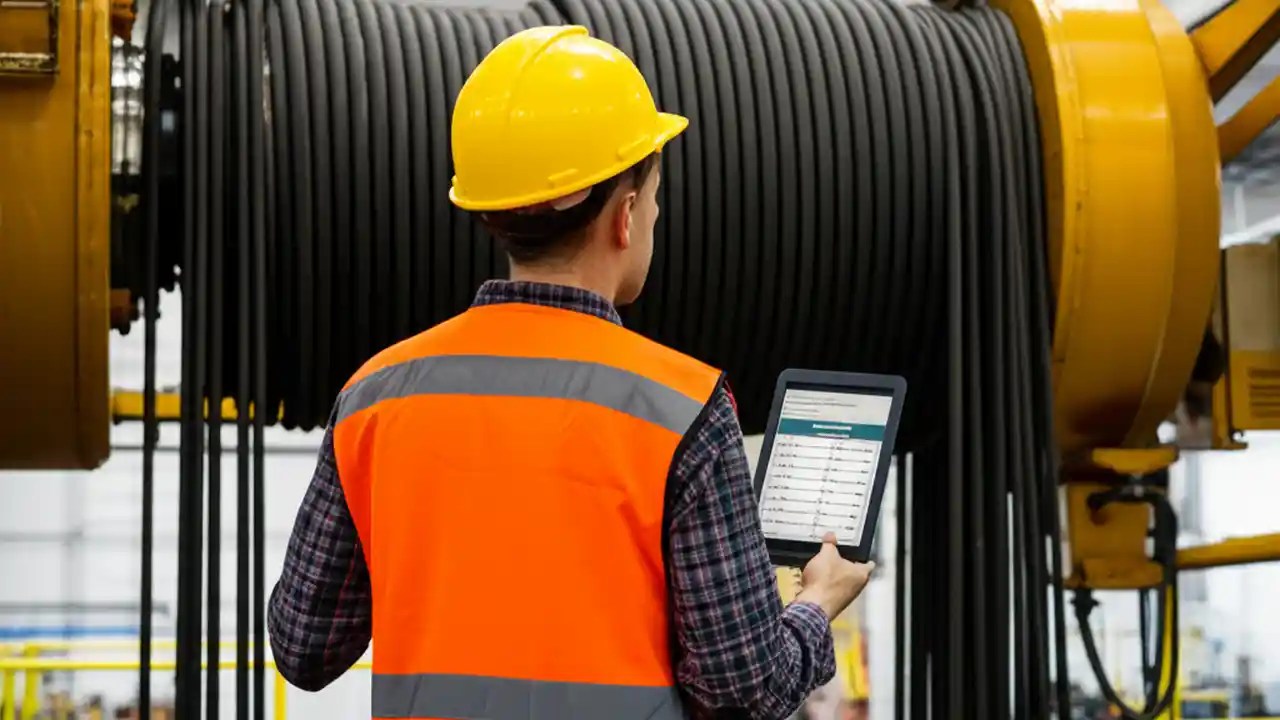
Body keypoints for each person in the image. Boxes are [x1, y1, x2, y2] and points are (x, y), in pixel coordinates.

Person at [268, 25, 875, 720]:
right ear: (624, 218)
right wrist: (815, 604)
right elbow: (743, 688)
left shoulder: (373, 399)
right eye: (651, 198)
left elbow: (303, 647)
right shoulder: (684, 410)